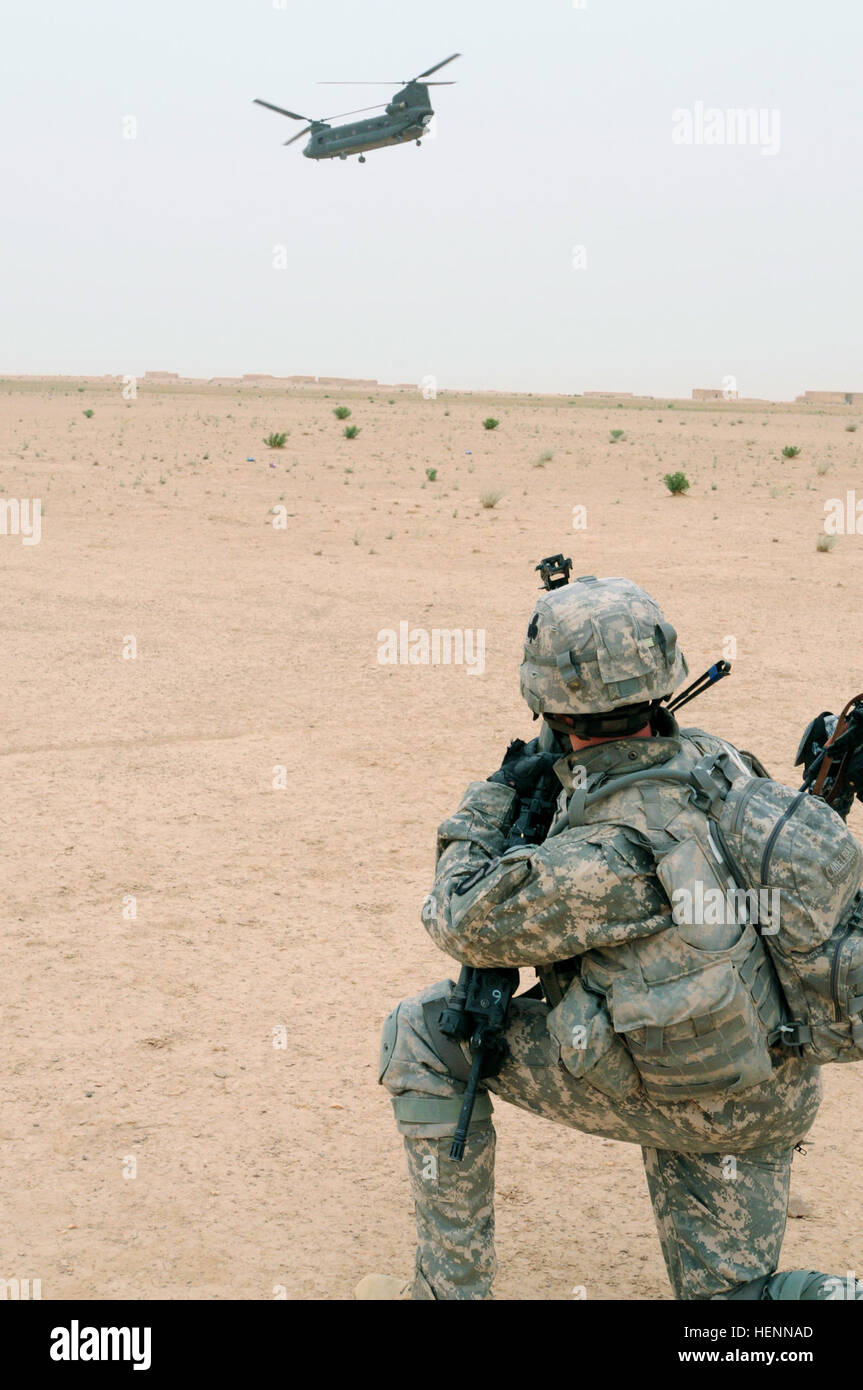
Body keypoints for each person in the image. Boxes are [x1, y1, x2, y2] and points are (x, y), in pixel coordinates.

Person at [359, 574, 863, 1301]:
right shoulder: (721, 765)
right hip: (767, 1083)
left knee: (421, 1032)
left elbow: (457, 916)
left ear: (548, 705)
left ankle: (445, 1296)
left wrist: (497, 793)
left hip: (686, 1092)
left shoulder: (609, 855)